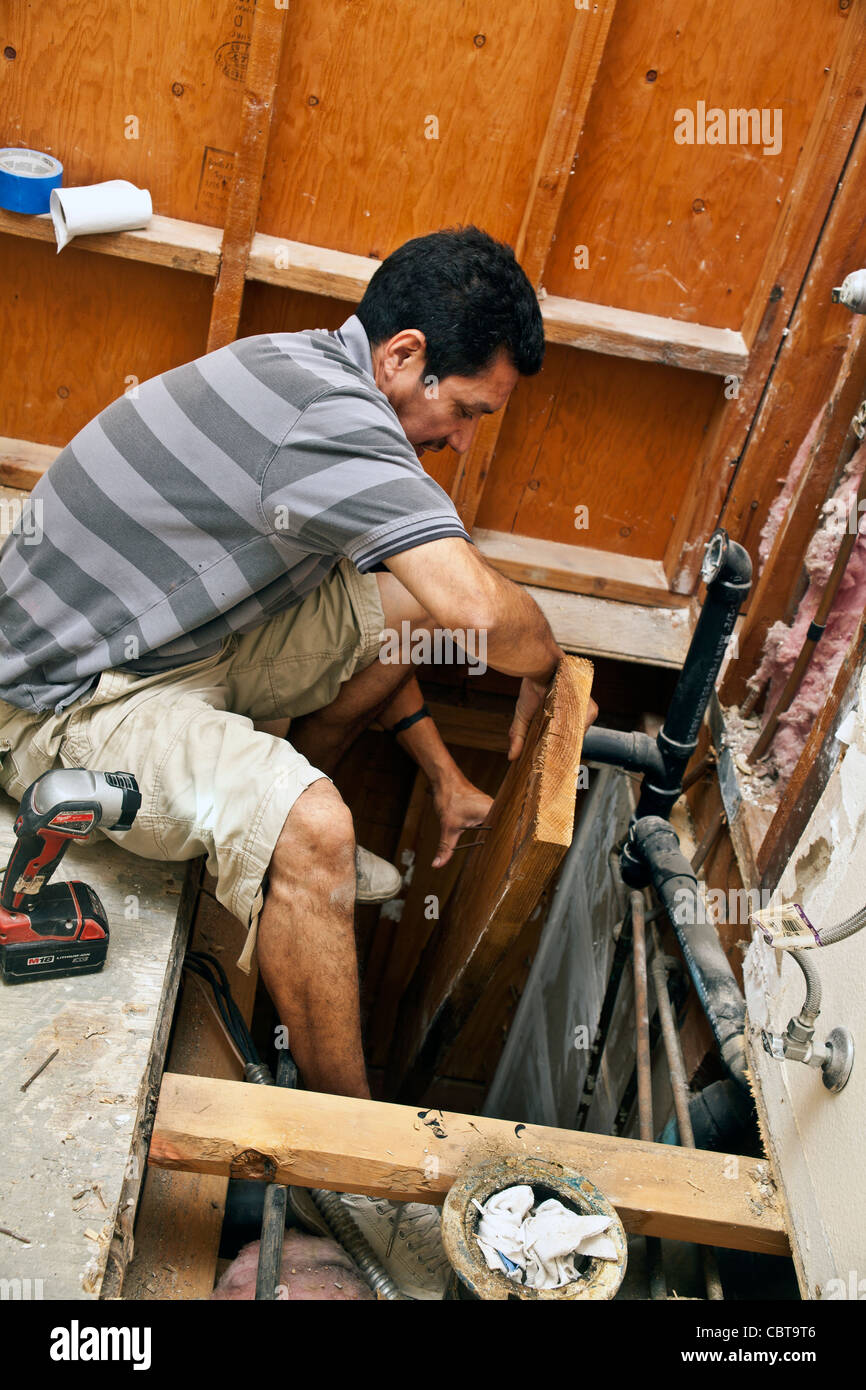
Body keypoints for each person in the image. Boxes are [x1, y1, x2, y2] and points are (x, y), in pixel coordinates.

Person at [0, 225, 596, 1296]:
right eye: (465, 410)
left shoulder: (314, 379)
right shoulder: (332, 421)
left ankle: (287, 857)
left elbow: (418, 608)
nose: (459, 439)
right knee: (315, 820)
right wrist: (543, 665)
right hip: (63, 699)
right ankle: (352, 1166)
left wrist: (442, 765)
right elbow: (480, 612)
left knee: (402, 597)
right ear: (403, 357)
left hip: (179, 648)